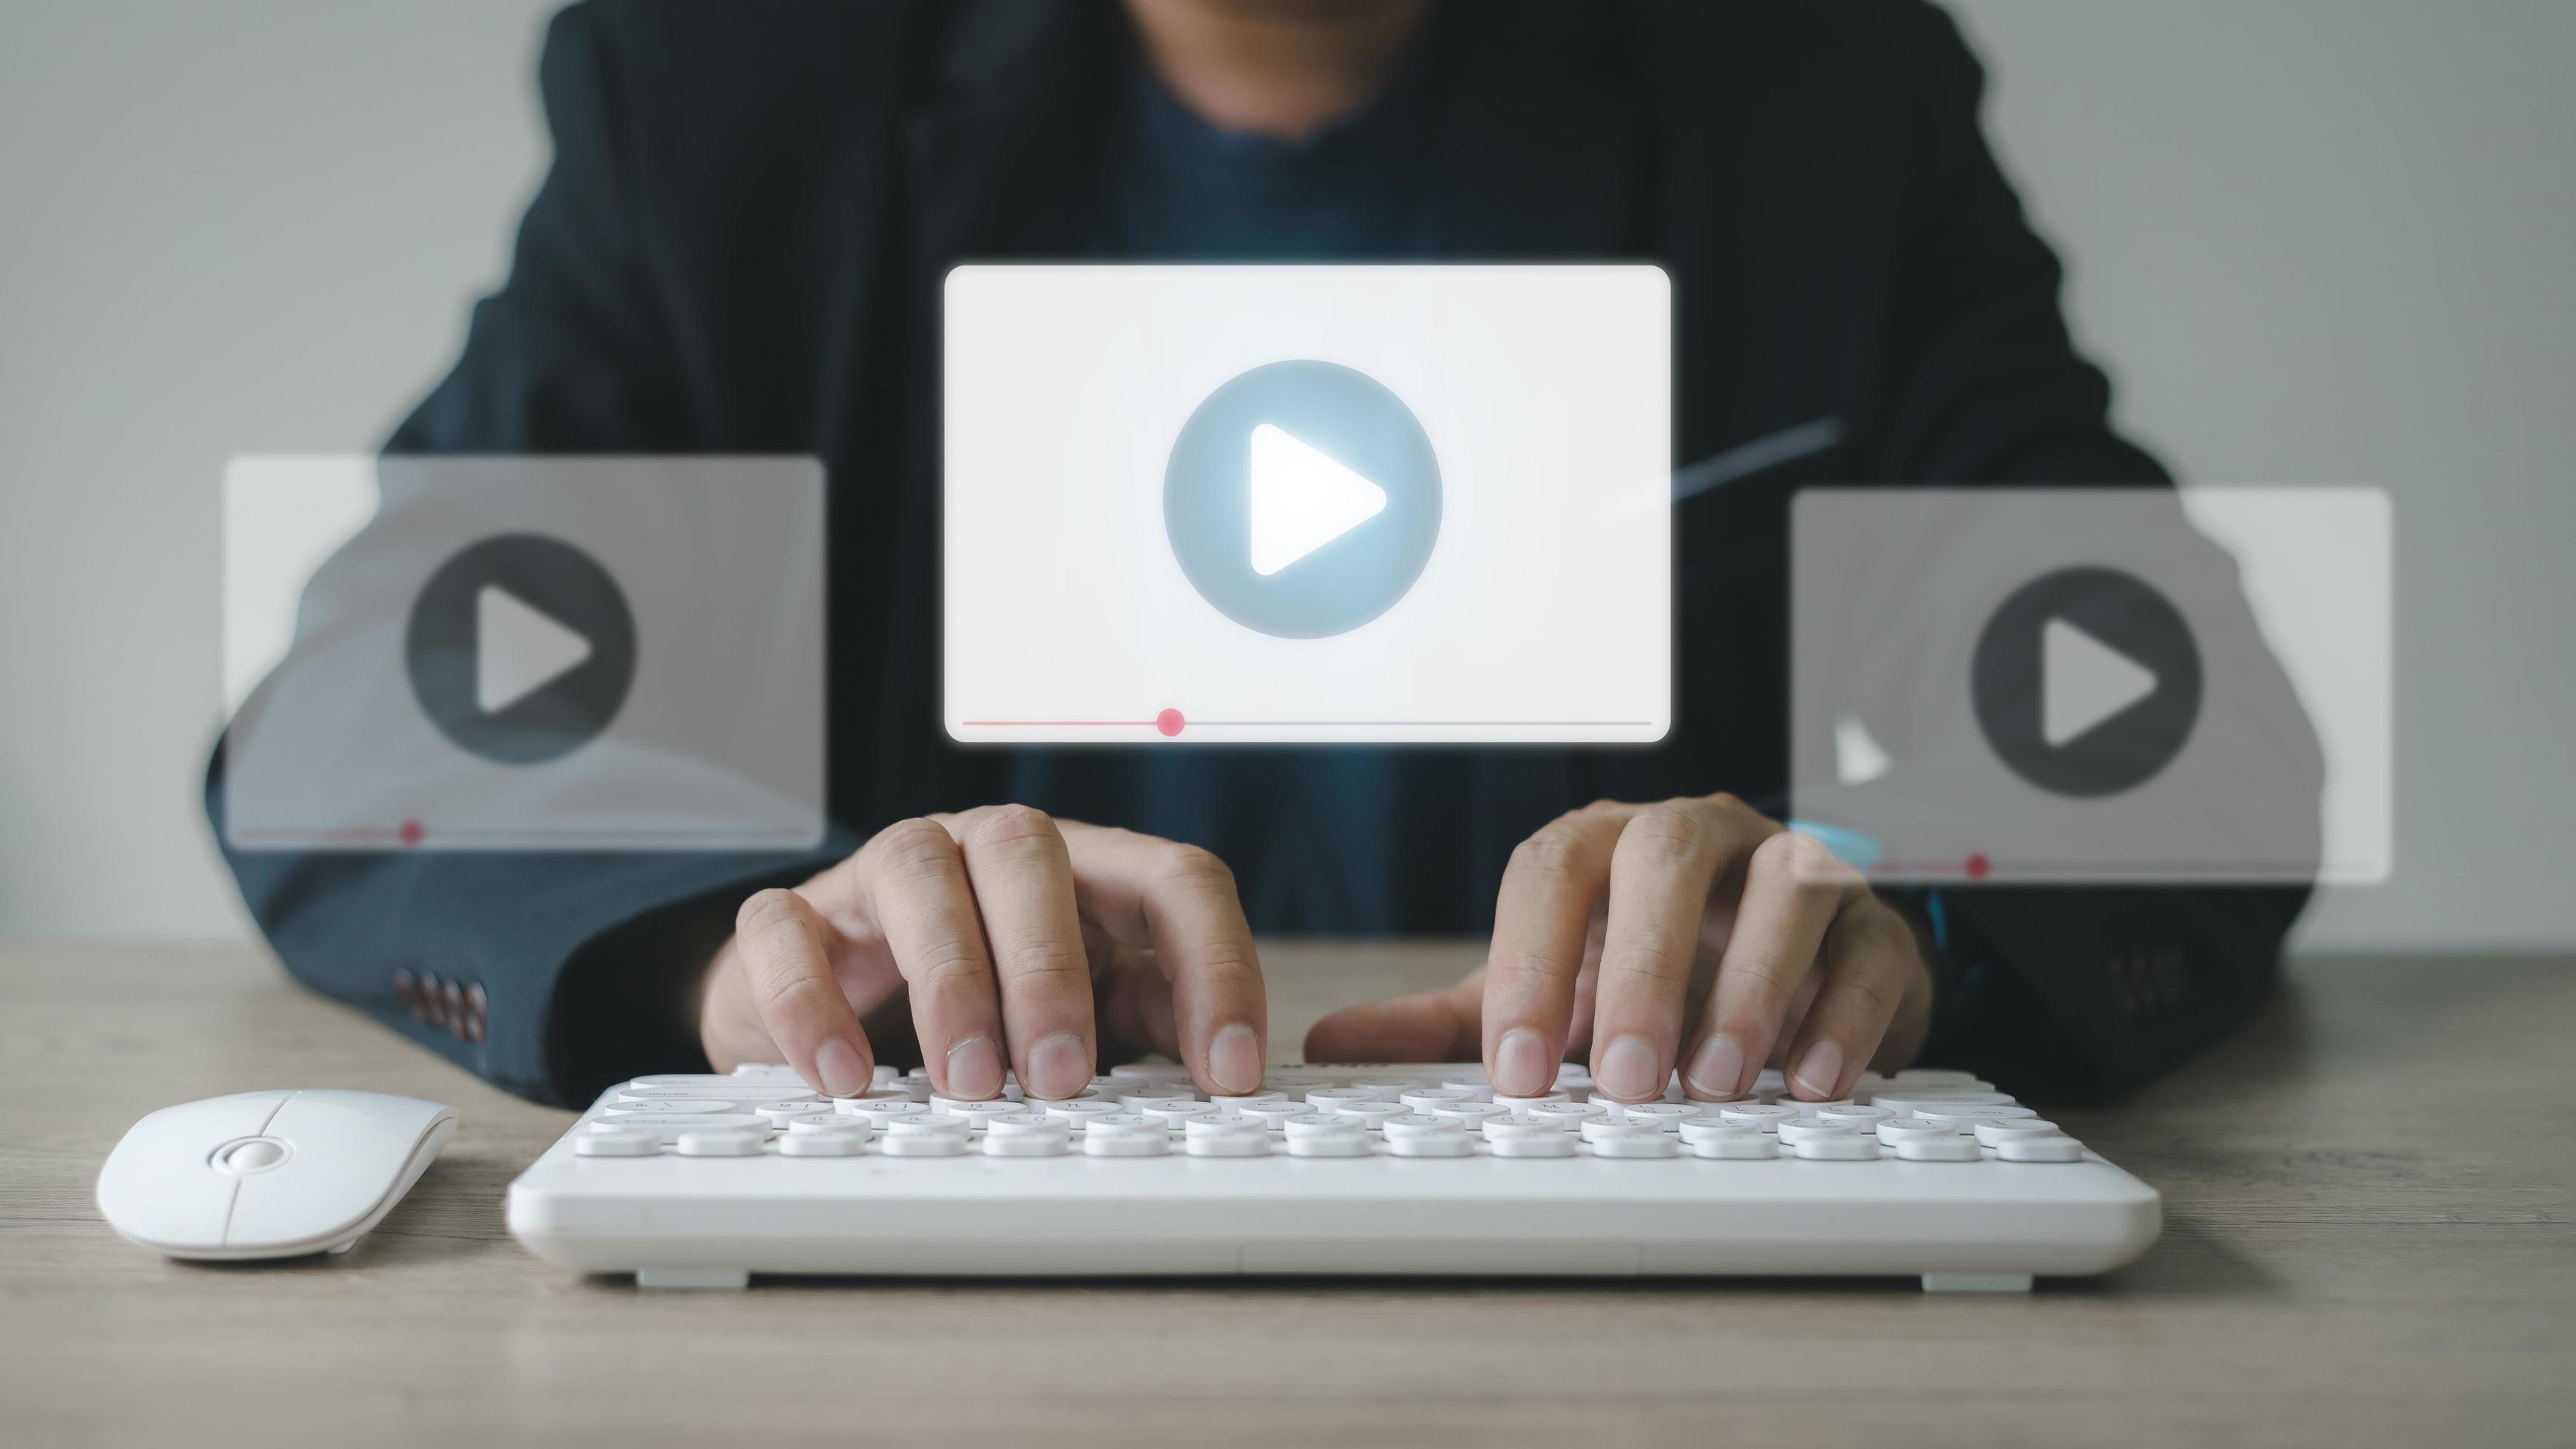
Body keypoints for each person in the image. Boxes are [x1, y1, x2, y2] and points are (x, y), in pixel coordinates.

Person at [214, 0, 2308, 1112]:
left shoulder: (1802, 87)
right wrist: (727, 950)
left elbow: (2162, 720)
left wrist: (1898, 913)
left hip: (1632, 1277)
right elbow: (376, 711)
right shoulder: (734, 84)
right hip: (932, 1265)